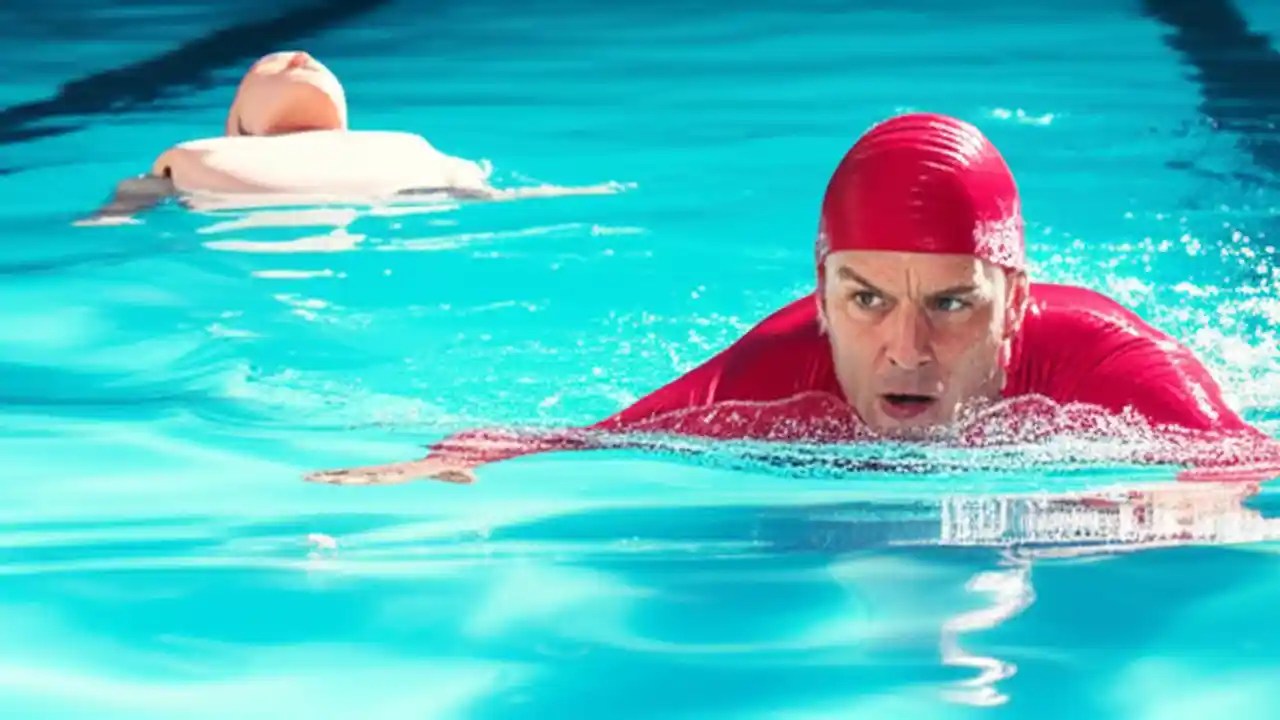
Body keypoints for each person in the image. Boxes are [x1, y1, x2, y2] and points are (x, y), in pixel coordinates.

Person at [306, 112, 1280, 486]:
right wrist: (442, 464)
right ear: (819, 293)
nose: (905, 350)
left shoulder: (1111, 366)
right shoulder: (773, 372)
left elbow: (1252, 462)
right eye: (865, 301)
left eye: (951, 304)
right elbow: (573, 440)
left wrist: (1191, 505)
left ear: (1015, 301)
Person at [85, 51, 623, 222]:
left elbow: (119, 213)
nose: (300, 57)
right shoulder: (407, 149)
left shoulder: (197, 156)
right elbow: (490, 195)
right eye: (274, 65)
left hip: (250, 225)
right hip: (394, 212)